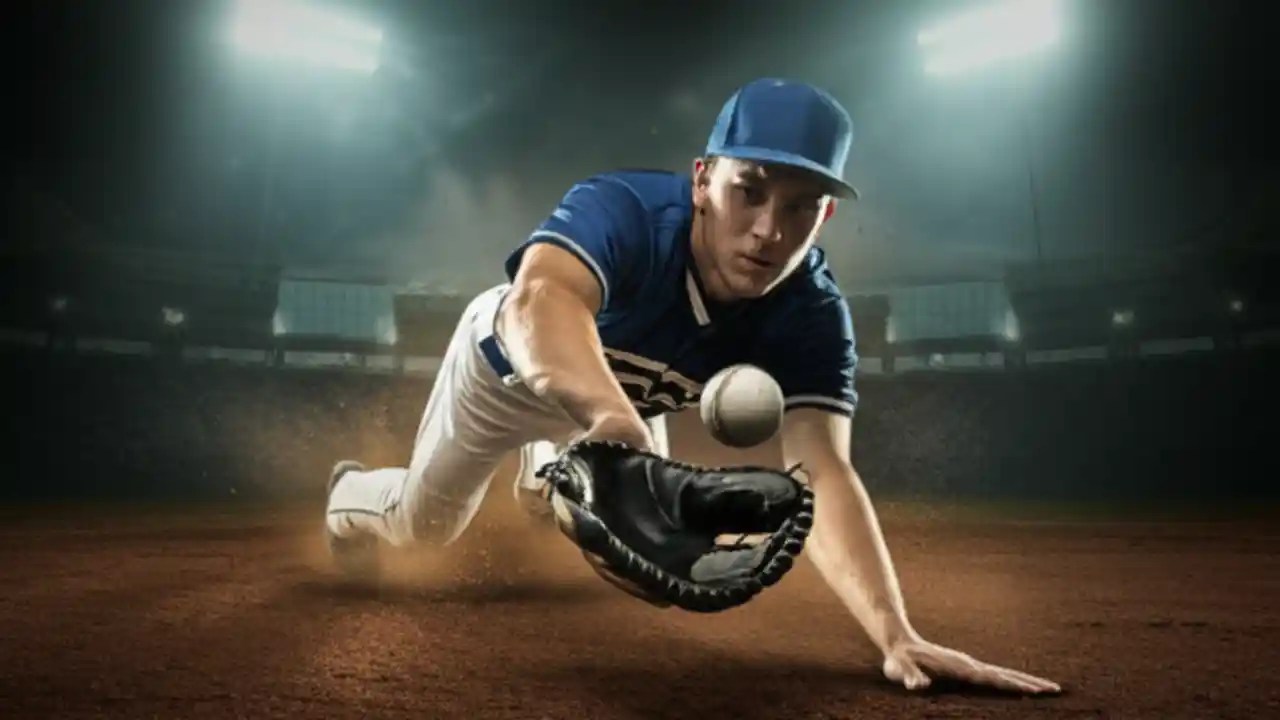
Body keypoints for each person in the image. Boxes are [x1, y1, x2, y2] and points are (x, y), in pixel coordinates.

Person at [324, 77, 1061, 695]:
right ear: (704, 179)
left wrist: (896, 634)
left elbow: (825, 468)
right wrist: (617, 421)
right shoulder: (631, 212)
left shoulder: (810, 313)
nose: (770, 229)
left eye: (802, 205)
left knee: (606, 517)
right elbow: (537, 302)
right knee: (425, 527)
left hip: (612, 410)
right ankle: (349, 494)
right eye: (752, 189)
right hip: (503, 375)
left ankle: (547, 468)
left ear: (826, 214)